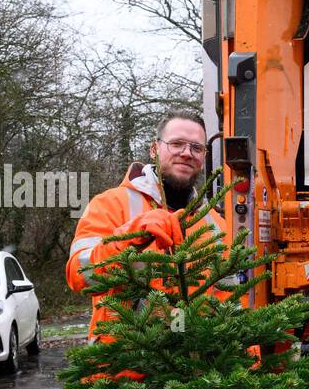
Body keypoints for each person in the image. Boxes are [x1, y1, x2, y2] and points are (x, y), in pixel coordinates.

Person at [65, 110, 230, 350]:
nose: (186, 153)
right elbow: (79, 276)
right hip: (122, 369)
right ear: (154, 149)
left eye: (196, 147)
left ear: (204, 156)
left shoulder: (213, 222)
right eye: (176, 144)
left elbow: (229, 294)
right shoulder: (111, 204)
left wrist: (242, 350)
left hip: (192, 370)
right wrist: (127, 238)